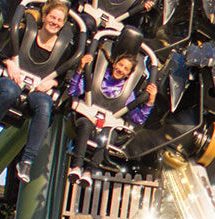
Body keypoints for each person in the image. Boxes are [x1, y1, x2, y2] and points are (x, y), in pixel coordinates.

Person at [0, 0, 84, 182]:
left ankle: (27, 161)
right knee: (9, 93)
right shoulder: (27, 33)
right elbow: (4, 55)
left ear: (63, 24)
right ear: (45, 16)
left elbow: (65, 78)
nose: (54, 23)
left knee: (45, 108)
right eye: (52, 17)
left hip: (39, 88)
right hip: (14, 79)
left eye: (59, 20)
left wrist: (52, 83)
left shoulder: (64, 48)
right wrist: (11, 63)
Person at [65, 47, 157, 182]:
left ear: (128, 74)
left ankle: (89, 172)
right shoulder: (97, 78)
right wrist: (80, 69)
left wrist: (150, 101)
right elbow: (73, 91)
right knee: (85, 125)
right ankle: (77, 167)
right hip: (87, 117)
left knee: (107, 137)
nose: (121, 70)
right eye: (120, 65)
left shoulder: (127, 93)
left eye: (126, 69)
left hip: (107, 125)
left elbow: (138, 119)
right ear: (114, 64)